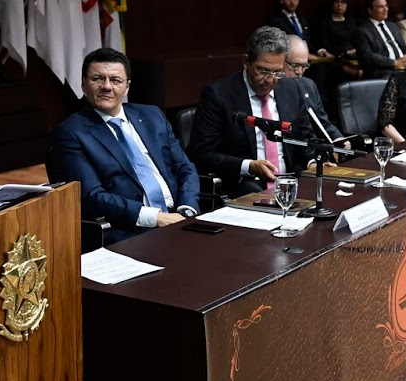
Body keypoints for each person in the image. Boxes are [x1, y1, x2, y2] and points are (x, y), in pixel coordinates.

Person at [49, 48, 200, 242]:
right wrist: (156, 218)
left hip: (179, 217)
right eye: (97, 79)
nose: (106, 86)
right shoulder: (71, 133)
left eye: (115, 80)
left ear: (127, 87)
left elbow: (185, 168)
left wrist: (186, 209)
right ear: (83, 84)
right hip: (130, 230)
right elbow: (92, 197)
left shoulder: (152, 116)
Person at [190, 26, 317, 196]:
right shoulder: (218, 95)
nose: (270, 80)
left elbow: (304, 138)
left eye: (277, 72)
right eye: (263, 71)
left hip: (289, 186)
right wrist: (248, 166)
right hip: (243, 188)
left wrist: (312, 163)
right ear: (246, 62)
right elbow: (202, 154)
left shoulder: (292, 89)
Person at [355, 0, 406, 78]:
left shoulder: (393, 26)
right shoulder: (362, 31)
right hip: (383, 72)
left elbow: (404, 47)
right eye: (381, 7)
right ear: (370, 10)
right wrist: (394, 63)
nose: (386, 9)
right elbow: (368, 56)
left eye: (386, 6)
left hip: (404, 67)